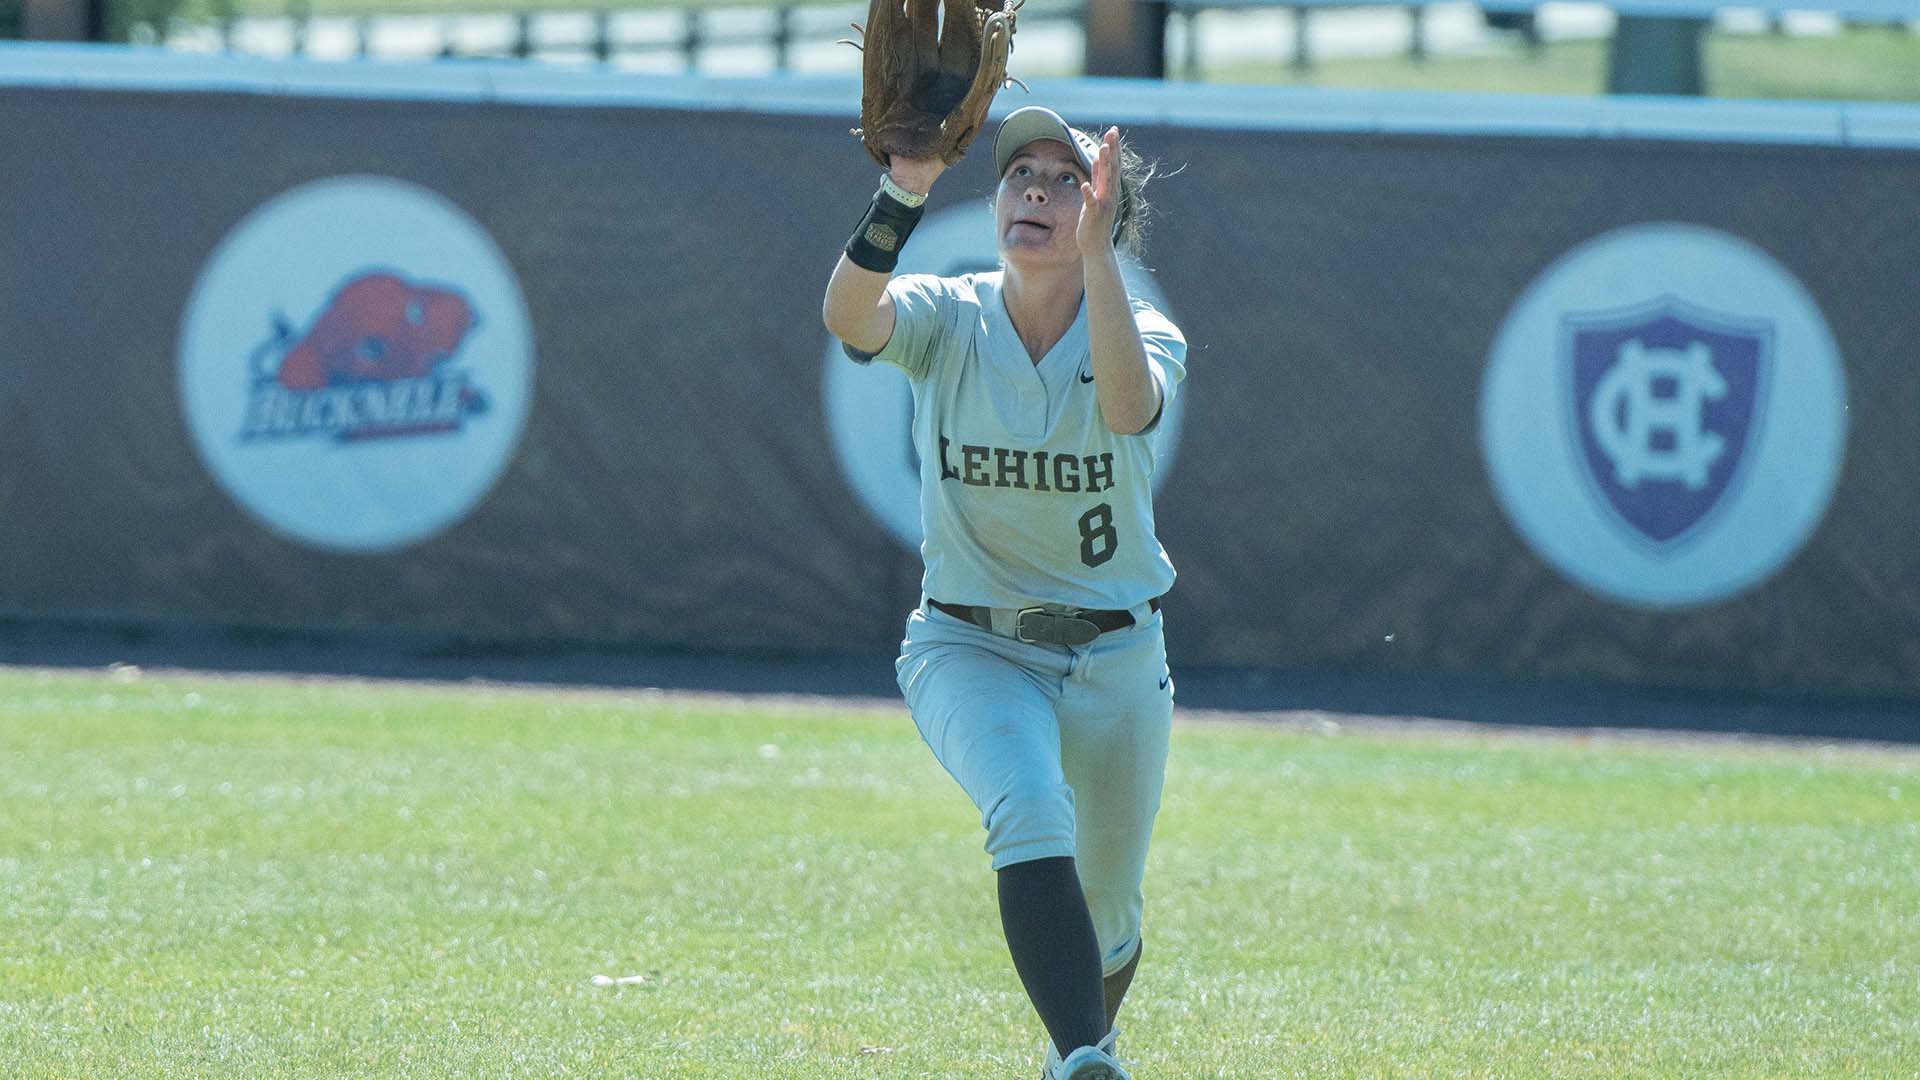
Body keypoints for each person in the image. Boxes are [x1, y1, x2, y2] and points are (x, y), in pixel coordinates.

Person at [821, 105, 1186, 1080]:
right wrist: (903, 191)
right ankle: (1084, 1064)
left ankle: (1088, 1041)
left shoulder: (1145, 329)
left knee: (1109, 918)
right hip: (969, 645)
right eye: (1020, 172)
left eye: (1066, 178)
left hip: (1116, 655)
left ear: (1108, 213)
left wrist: (1099, 260)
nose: (1034, 189)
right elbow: (851, 316)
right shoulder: (950, 315)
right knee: (1026, 807)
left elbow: (1123, 405)